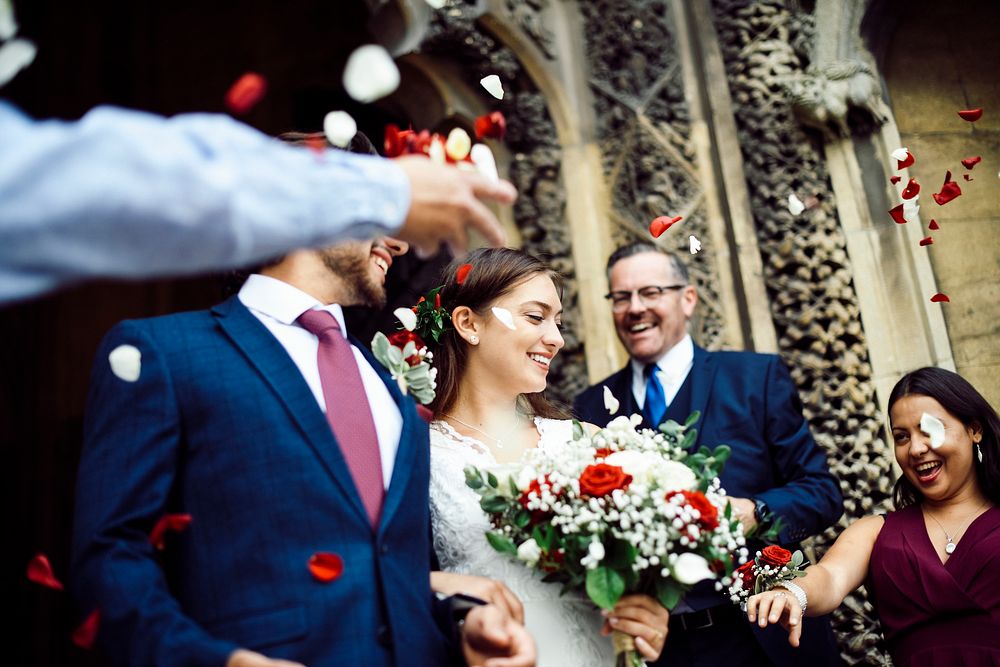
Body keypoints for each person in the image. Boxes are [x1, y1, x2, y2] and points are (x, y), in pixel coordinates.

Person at [70, 233, 535, 667]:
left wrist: (458, 625)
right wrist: (217, 661)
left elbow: (384, 562)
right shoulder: (165, 352)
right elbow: (110, 556)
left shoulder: (391, 383)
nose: (396, 241)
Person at [573, 242, 842, 666]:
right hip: (660, 651)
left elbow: (823, 493)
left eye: (650, 292)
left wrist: (756, 511)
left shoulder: (756, 377)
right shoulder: (590, 407)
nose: (634, 308)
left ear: (688, 298)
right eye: (621, 297)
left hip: (764, 636)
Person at [0, 100, 515, 305]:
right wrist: (382, 191)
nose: (398, 245)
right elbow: (111, 183)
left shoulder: (385, 386)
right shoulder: (173, 359)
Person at [425, 247, 670, 666]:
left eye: (558, 322)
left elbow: (638, 562)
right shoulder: (417, 453)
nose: (556, 338)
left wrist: (649, 607)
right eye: (536, 317)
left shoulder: (585, 441)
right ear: (468, 324)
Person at [748, 367, 1000, 666]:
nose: (916, 449)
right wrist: (792, 592)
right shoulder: (875, 532)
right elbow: (829, 577)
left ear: (974, 429)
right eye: (902, 437)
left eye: (929, 429)